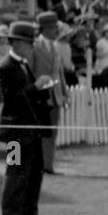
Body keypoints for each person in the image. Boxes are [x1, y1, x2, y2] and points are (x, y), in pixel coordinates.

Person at [0, 21, 56, 215]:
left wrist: (42, 88)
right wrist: (35, 87)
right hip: (14, 131)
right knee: (15, 171)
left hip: (30, 129)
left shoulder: (23, 65)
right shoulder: (3, 68)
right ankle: (10, 214)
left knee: (34, 170)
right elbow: (10, 100)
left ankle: (29, 210)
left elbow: (28, 95)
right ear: (17, 44)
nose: (31, 47)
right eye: (29, 43)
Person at [31, 12, 68, 174]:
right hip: (40, 97)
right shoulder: (34, 47)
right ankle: (37, 165)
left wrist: (65, 93)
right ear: (45, 28)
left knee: (52, 133)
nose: (57, 32)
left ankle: (48, 165)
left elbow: (60, 73)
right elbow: (30, 72)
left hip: (56, 96)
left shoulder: (55, 47)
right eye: (54, 28)